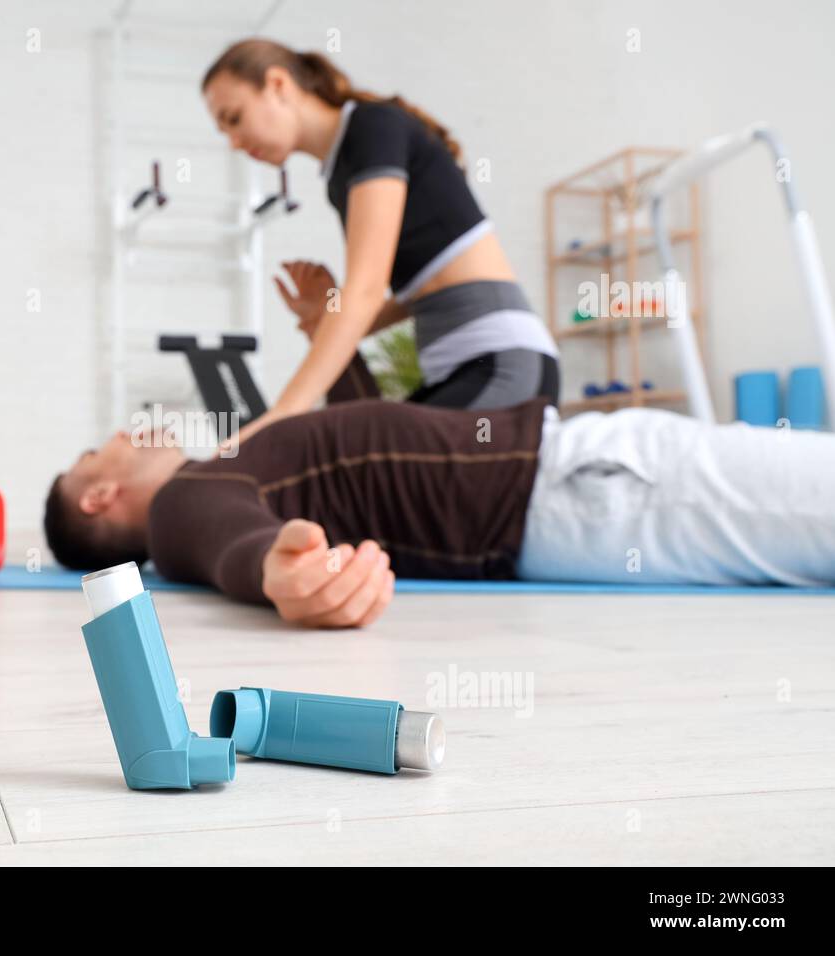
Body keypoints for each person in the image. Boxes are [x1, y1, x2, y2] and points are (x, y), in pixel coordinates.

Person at [44, 397, 835, 628]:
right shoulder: (186, 500)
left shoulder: (219, 473)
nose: (117, 435)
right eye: (96, 451)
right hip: (582, 486)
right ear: (100, 497)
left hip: (574, 479)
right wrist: (277, 572)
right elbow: (223, 543)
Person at [200, 39, 560, 439]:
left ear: (278, 84)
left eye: (234, 118)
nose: (233, 142)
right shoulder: (341, 171)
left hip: (500, 364)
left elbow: (365, 289)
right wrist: (322, 317)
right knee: (364, 472)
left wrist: (282, 414)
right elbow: (415, 292)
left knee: (375, 476)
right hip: (464, 367)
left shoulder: (372, 129)